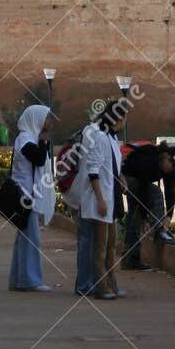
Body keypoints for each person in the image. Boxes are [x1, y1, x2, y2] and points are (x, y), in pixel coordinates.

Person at [74, 101, 126, 299]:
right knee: (99, 245)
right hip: (100, 200)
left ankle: (111, 283)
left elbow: (111, 166)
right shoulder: (99, 137)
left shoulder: (111, 139)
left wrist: (120, 178)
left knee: (110, 243)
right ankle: (99, 286)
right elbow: (93, 170)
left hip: (110, 198)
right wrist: (100, 200)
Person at [8, 104, 56, 293]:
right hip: (25, 196)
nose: (49, 122)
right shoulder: (25, 139)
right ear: (36, 118)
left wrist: (43, 141)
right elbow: (38, 159)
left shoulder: (29, 138)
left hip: (29, 195)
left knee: (25, 237)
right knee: (31, 238)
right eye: (46, 118)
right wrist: (43, 142)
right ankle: (30, 280)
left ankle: (19, 279)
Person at [120, 141, 175, 271]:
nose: (172, 167)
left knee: (152, 198)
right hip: (125, 176)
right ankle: (130, 258)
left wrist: (169, 216)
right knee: (137, 211)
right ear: (165, 157)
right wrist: (145, 218)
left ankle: (159, 231)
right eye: (172, 163)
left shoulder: (169, 169)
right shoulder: (149, 162)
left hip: (138, 182)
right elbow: (142, 190)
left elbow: (170, 192)